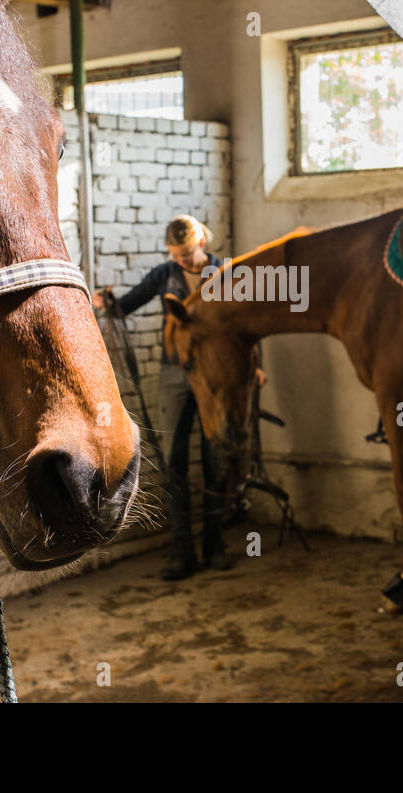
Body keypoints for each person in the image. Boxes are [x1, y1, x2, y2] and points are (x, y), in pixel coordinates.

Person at [92, 215, 233, 580]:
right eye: (177, 254)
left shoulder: (227, 272)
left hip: (215, 372)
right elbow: (125, 306)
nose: (183, 260)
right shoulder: (163, 274)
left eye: (187, 253)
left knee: (215, 456)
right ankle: (182, 551)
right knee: (175, 462)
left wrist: (254, 369)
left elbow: (244, 325)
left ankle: (215, 544)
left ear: (201, 239)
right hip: (175, 373)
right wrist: (106, 302)